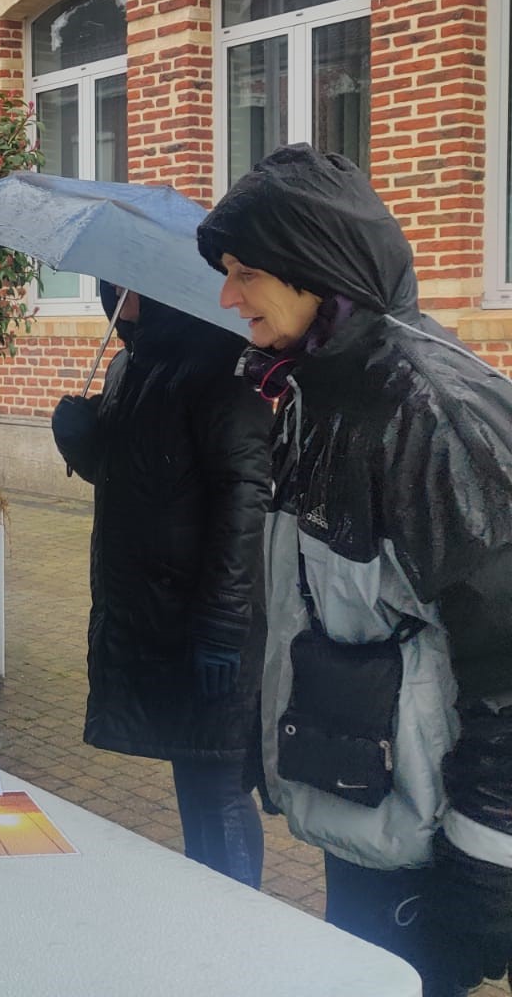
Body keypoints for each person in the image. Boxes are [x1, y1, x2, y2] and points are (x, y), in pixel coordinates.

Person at [197, 144, 512, 996]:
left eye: (244, 272)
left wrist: (487, 860)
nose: (227, 298)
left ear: (314, 268)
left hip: (436, 842)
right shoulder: (317, 392)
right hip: (370, 812)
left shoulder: (433, 416)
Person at [50, 282, 272, 888]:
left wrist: (225, 625)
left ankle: (237, 929)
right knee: (191, 766)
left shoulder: (222, 366)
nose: (120, 304)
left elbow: (245, 498)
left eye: (131, 292)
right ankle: (208, 904)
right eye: (111, 292)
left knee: (218, 782)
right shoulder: (129, 365)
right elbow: (132, 476)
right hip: (152, 614)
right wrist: (84, 440)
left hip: (208, 619)